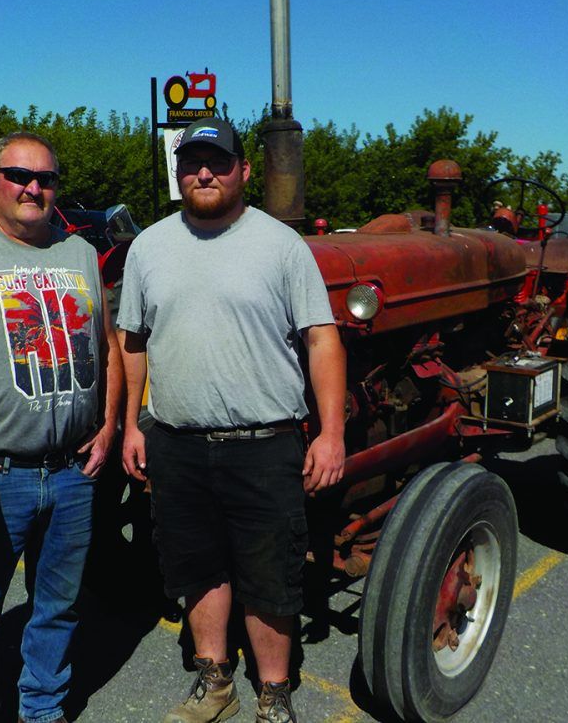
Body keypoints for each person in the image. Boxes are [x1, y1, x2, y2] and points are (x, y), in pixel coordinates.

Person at [117, 117, 346, 723]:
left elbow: (322, 339)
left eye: (218, 161)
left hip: (264, 443)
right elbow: (132, 341)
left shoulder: (281, 246)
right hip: (177, 443)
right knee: (197, 565)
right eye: (192, 162)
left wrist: (331, 433)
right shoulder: (150, 248)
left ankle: (274, 696)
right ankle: (215, 682)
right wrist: (133, 423)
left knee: (271, 576)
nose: (205, 172)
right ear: (179, 173)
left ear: (243, 170)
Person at [0, 131, 121, 723]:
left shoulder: (79, 253)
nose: (34, 188)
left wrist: (109, 426)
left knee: (57, 606)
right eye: (19, 175)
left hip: (73, 472)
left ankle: (42, 709)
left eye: (46, 179)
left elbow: (107, 346)